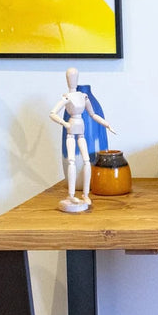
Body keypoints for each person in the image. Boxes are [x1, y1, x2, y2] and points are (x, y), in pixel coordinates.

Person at [49, 67, 116, 212]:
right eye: (69, 77)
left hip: (81, 132)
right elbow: (53, 113)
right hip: (71, 133)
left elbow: (93, 114)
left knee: (86, 161)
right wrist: (65, 124)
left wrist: (107, 124)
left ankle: (85, 194)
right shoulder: (66, 97)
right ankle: (71, 195)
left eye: (73, 77)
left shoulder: (83, 96)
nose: (71, 79)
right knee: (72, 161)